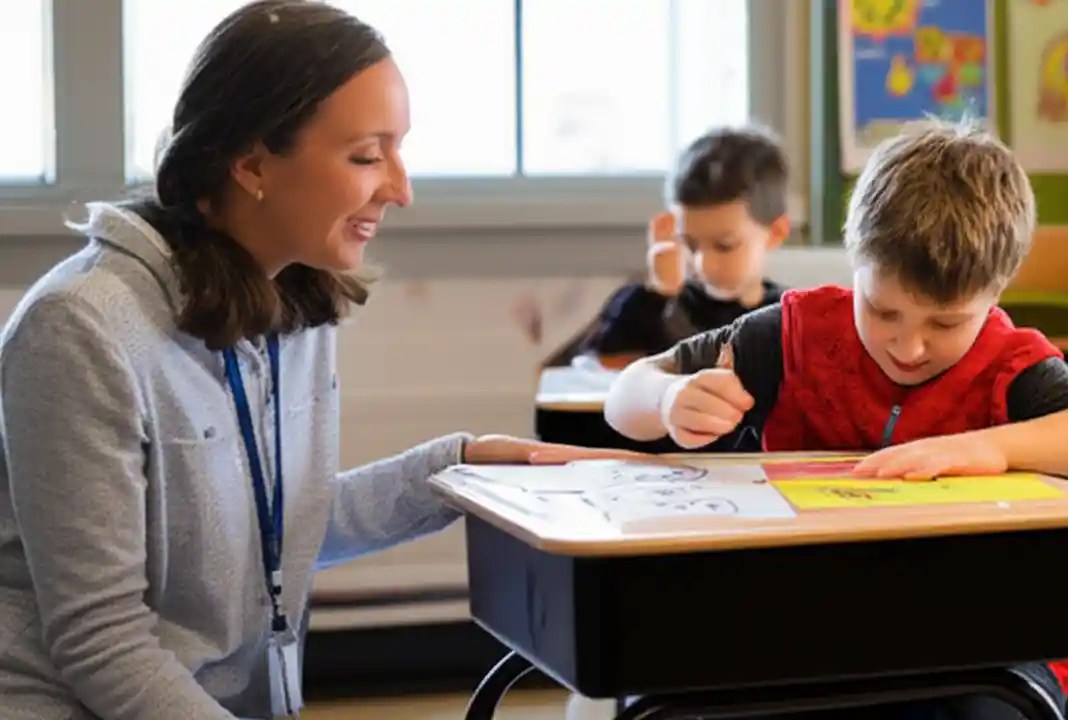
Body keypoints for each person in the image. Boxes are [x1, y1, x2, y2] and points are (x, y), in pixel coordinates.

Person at [0, 3, 633, 718]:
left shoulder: (290, 299)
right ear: (250, 163)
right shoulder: (80, 328)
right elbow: (102, 644)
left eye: (398, 150)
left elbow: (275, 530)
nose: (401, 188)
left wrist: (455, 468)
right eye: (366, 155)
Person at [602, 118, 1068, 718]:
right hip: (802, 630)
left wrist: (986, 448)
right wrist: (668, 401)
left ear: (995, 293)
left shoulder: (1008, 366)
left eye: (945, 323)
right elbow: (627, 396)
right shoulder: (796, 335)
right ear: (857, 263)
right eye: (882, 310)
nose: (908, 346)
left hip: (974, 647)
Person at [572, 126, 791, 365]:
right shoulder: (651, 307)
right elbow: (597, 368)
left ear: (775, 233)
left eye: (724, 246)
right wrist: (658, 294)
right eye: (689, 243)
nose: (702, 264)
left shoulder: (788, 317)